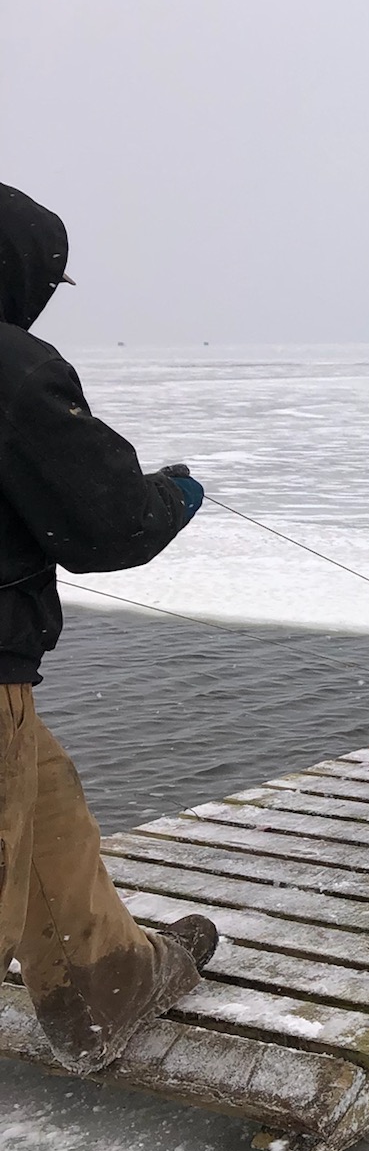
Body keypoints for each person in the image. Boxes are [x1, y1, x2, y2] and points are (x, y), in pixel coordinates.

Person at [0, 183, 218, 1075]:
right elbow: (109, 524)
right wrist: (174, 495)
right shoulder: (12, 367)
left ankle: (106, 980)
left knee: (47, 804)